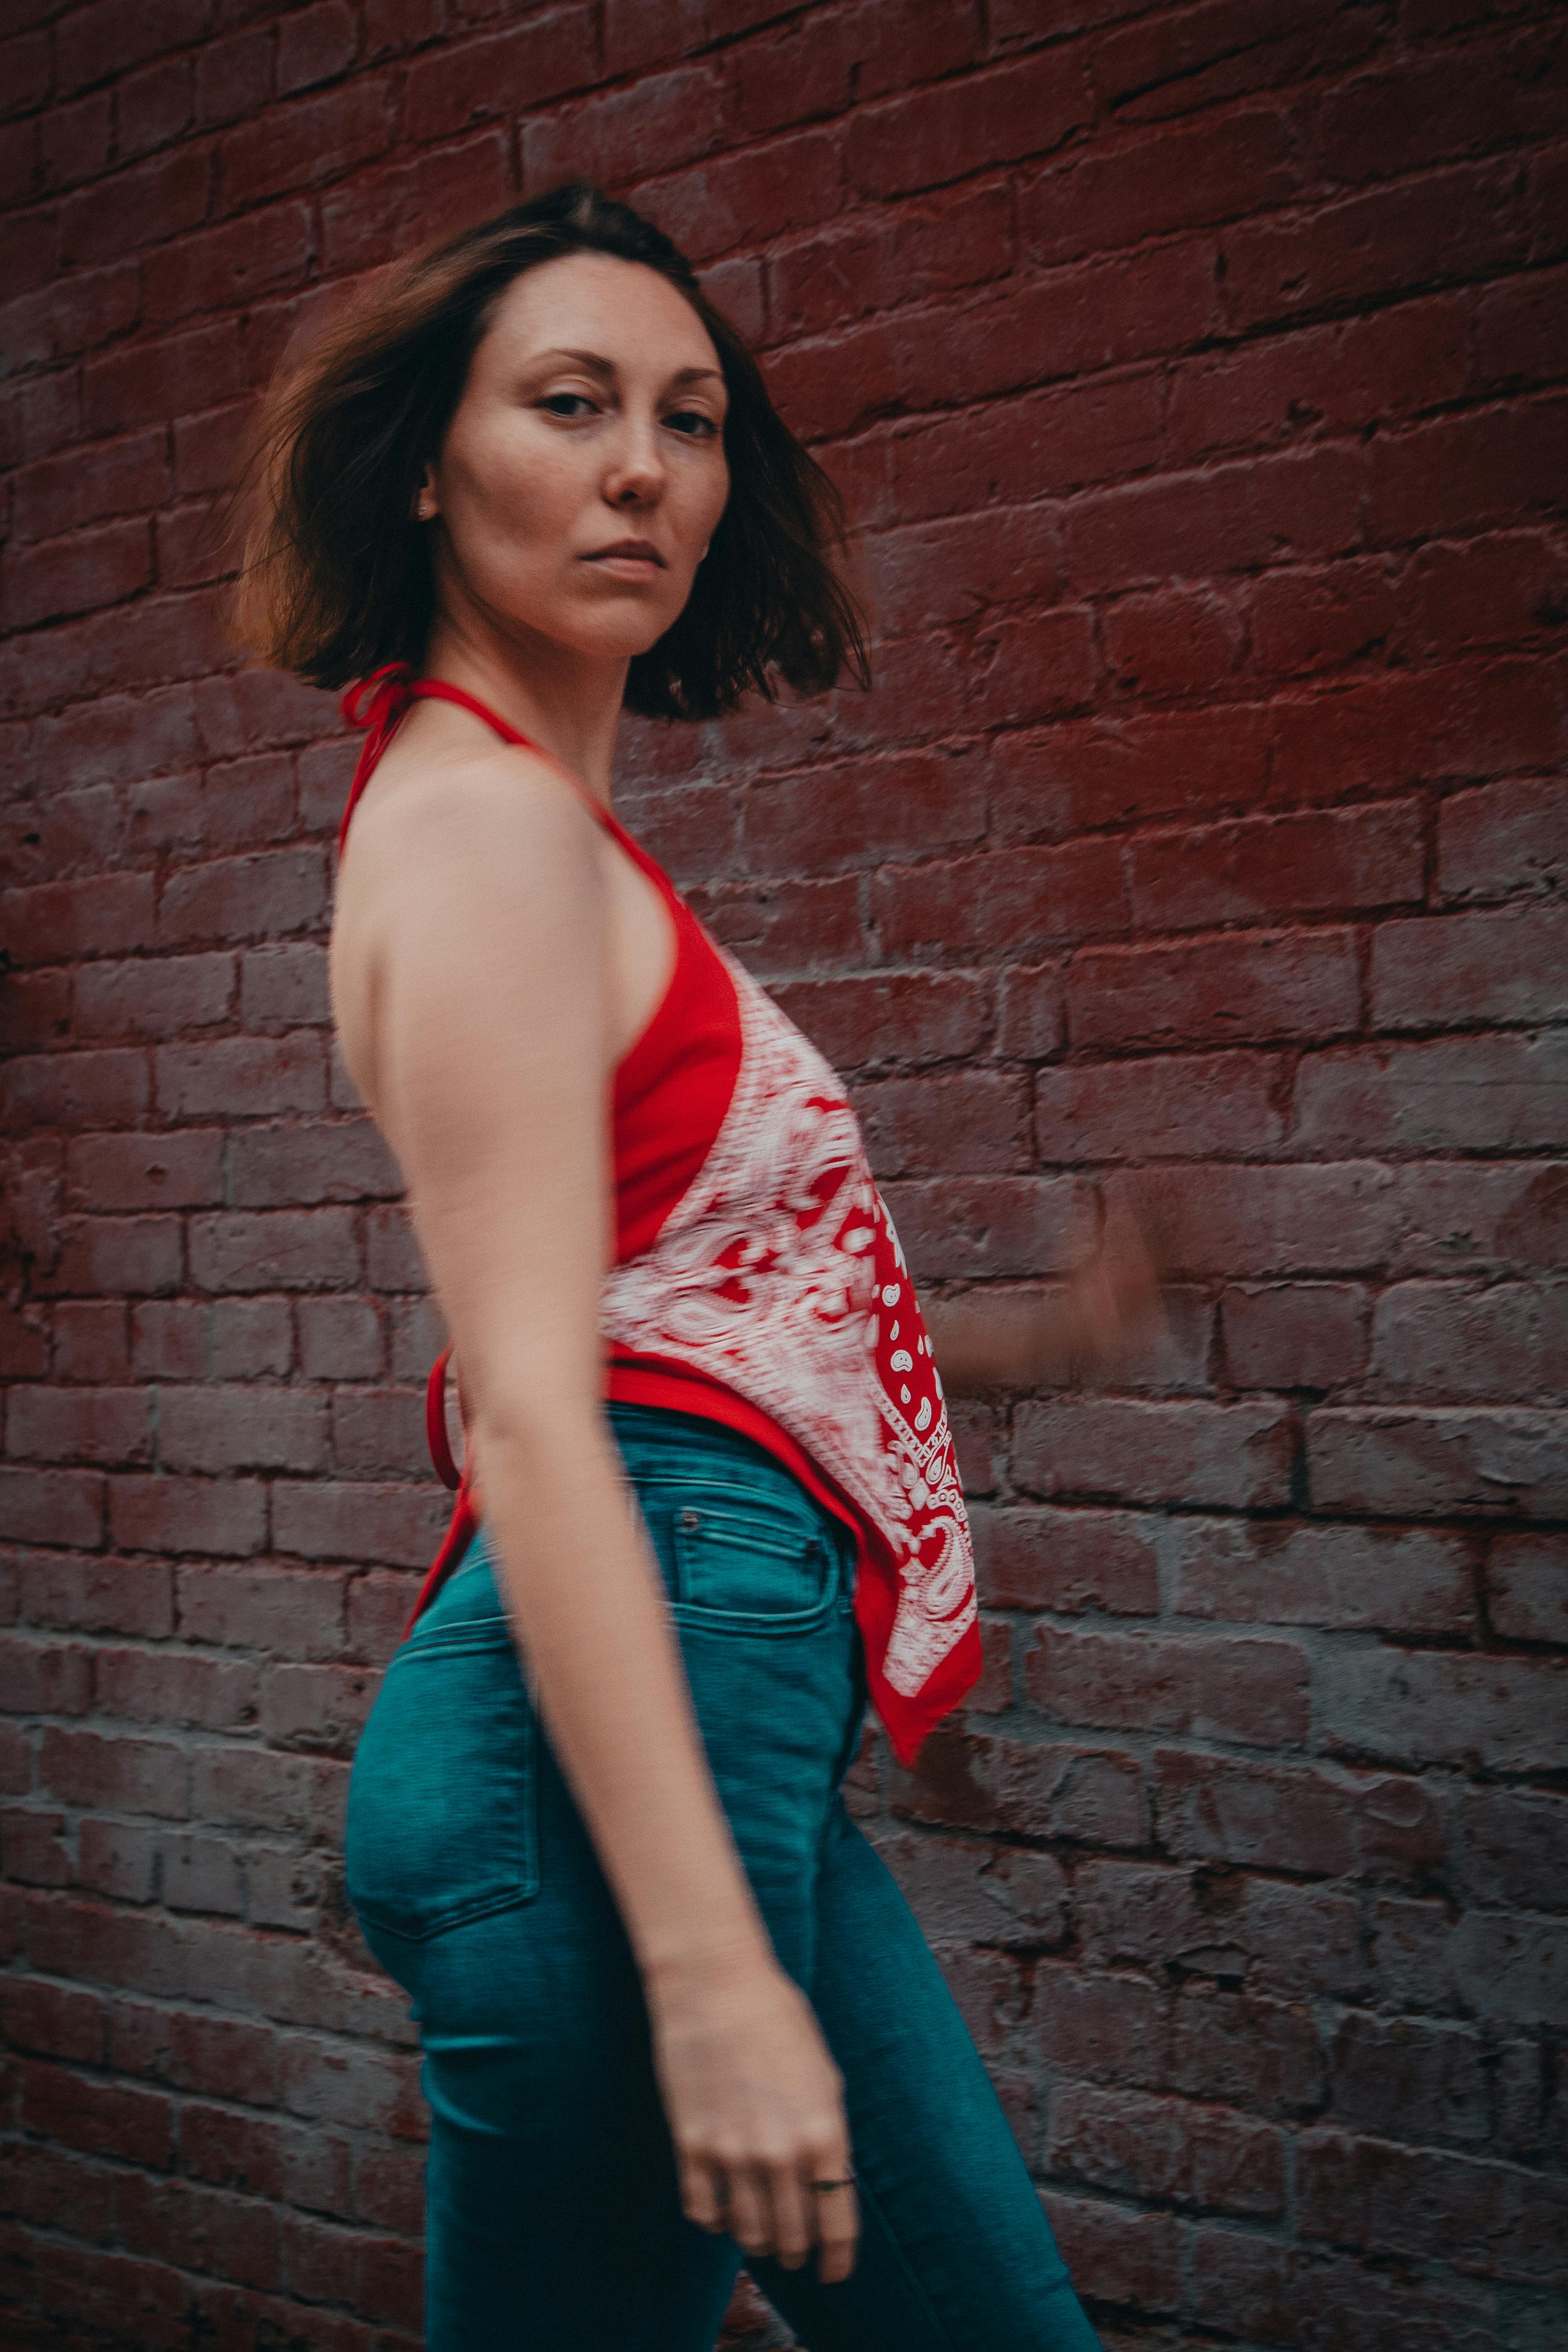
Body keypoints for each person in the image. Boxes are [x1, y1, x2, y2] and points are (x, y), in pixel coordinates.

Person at [240, 181, 1156, 2352]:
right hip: (611, 1764)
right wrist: (710, 1974)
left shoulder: (526, 831)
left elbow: (701, 1314)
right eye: (570, 405)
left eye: (691, 415)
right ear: (425, 463)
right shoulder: (478, 835)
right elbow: (548, 1407)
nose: (646, 464)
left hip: (687, 1736)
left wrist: (1025, 1337)